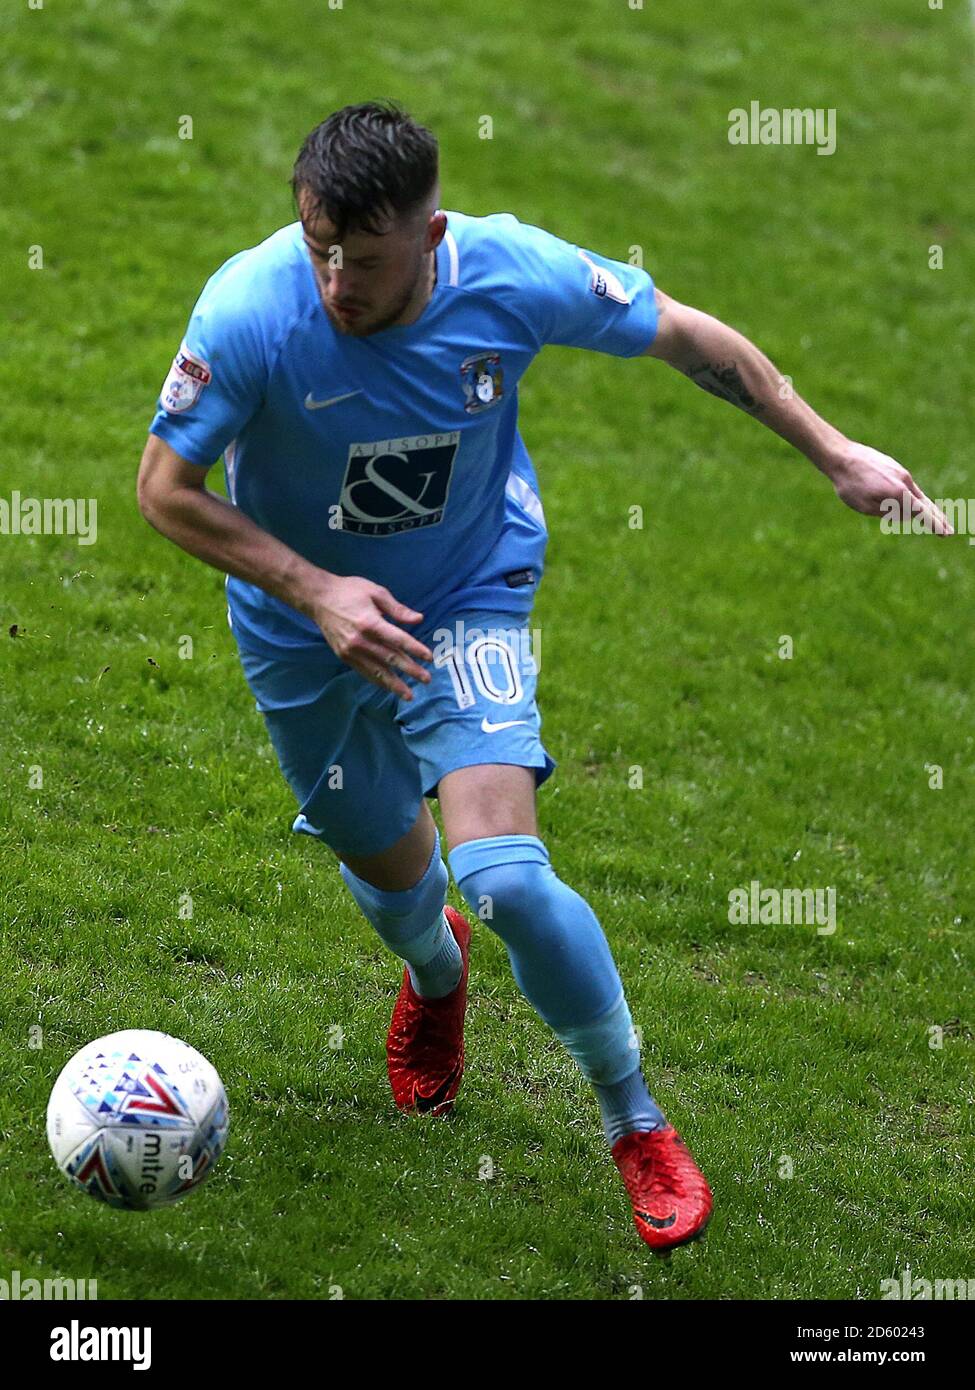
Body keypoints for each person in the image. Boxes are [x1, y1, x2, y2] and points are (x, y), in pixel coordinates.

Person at [137, 100, 949, 1254]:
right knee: (390, 869)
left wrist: (833, 448)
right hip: (298, 622)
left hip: (469, 589)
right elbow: (164, 490)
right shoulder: (249, 308)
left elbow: (686, 335)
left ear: (432, 233)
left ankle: (636, 1120)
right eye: (317, 247)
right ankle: (433, 975)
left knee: (505, 876)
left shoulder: (510, 273)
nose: (333, 284)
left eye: (362, 261)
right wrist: (317, 591)